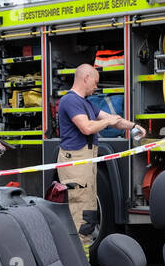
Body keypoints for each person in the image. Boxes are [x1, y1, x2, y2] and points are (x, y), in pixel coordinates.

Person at [57, 63, 140, 246]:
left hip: (86, 161)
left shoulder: (85, 103)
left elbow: (114, 121)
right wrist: (107, 121)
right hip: (76, 163)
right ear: (85, 78)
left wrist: (133, 126)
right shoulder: (70, 101)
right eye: (95, 82)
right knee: (80, 212)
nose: (97, 87)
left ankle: (84, 261)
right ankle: (80, 264)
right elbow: (86, 127)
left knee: (88, 211)